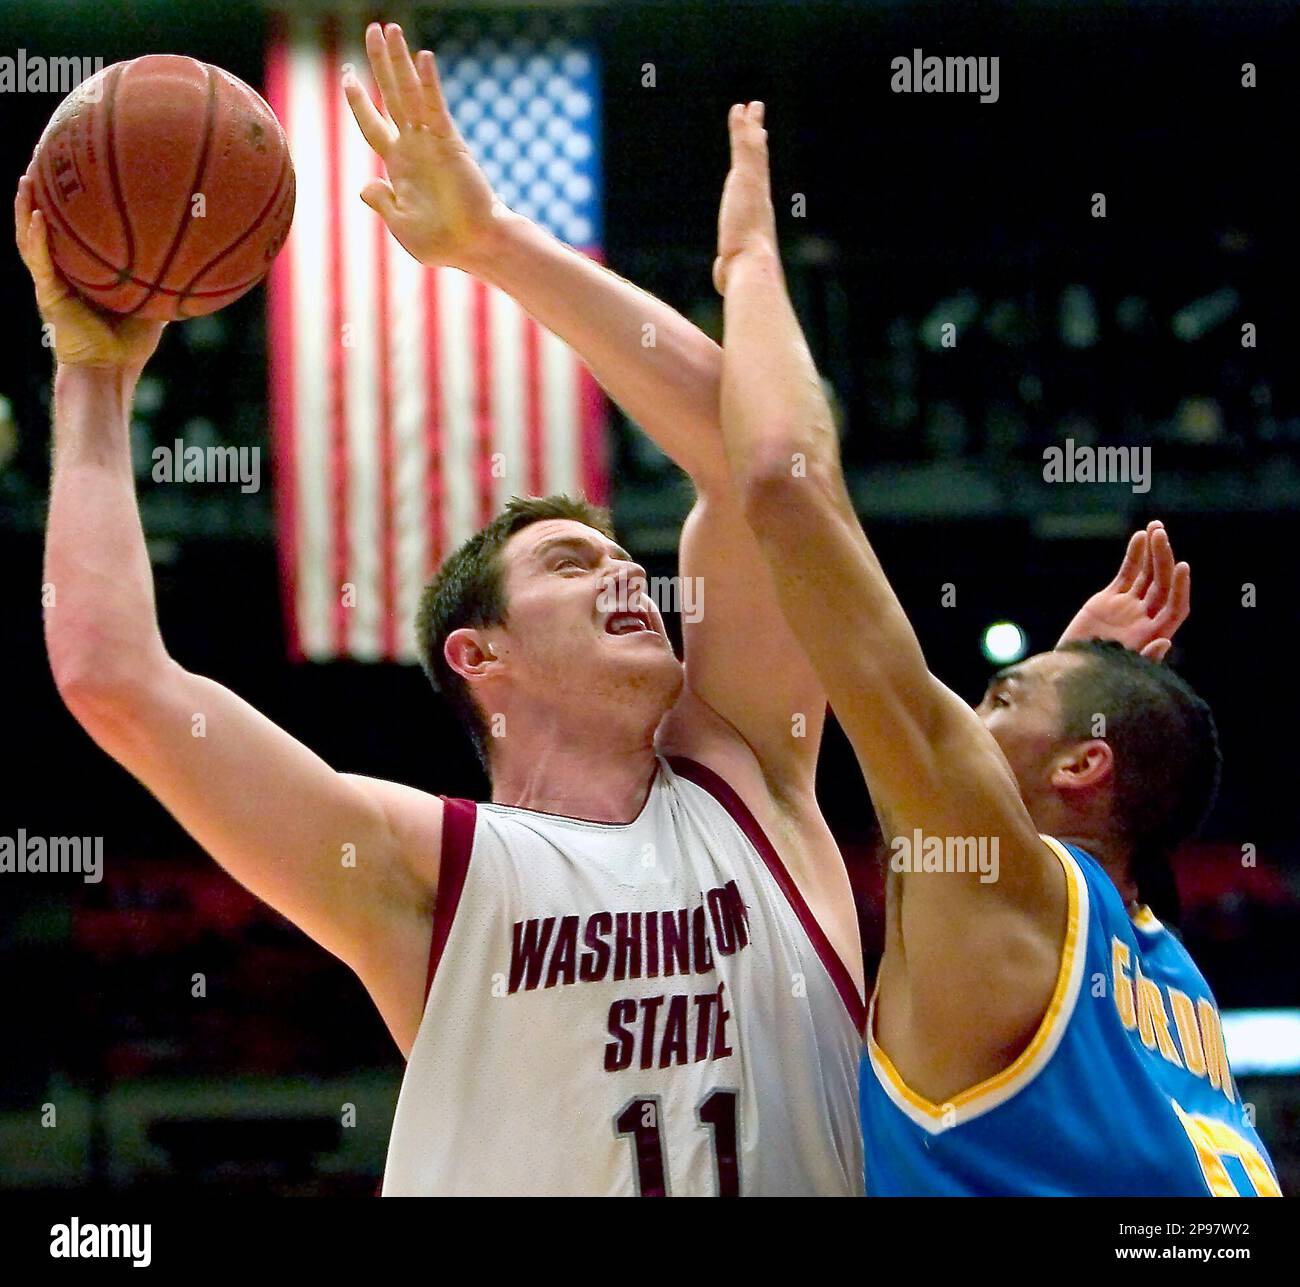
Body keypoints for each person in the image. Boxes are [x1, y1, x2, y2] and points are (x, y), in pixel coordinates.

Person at [710, 98, 1280, 1197]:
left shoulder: (998, 888)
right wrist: (1072, 688)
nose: (963, 718)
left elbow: (782, 484)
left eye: (996, 701)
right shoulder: (1169, 979)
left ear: (1083, 766)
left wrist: (745, 266)